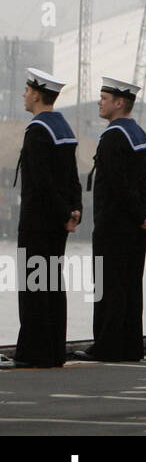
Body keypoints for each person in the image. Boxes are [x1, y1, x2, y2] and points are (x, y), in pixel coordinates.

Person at [4, 69, 81, 369]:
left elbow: (40, 181)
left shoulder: (37, 130)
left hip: (38, 221)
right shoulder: (63, 127)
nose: (24, 95)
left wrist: (63, 212)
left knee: (34, 286)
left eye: (26, 90)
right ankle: (52, 350)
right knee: (52, 284)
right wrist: (73, 211)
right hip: (59, 223)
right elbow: (72, 177)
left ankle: (32, 351)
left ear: (36, 93)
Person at [77, 77, 146, 362]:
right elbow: (142, 180)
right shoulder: (136, 134)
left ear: (120, 103)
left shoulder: (113, 136)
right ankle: (130, 345)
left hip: (113, 224)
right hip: (135, 226)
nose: (100, 102)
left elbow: (118, 184)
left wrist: (137, 212)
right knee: (131, 285)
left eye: (104, 98)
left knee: (108, 286)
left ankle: (106, 345)